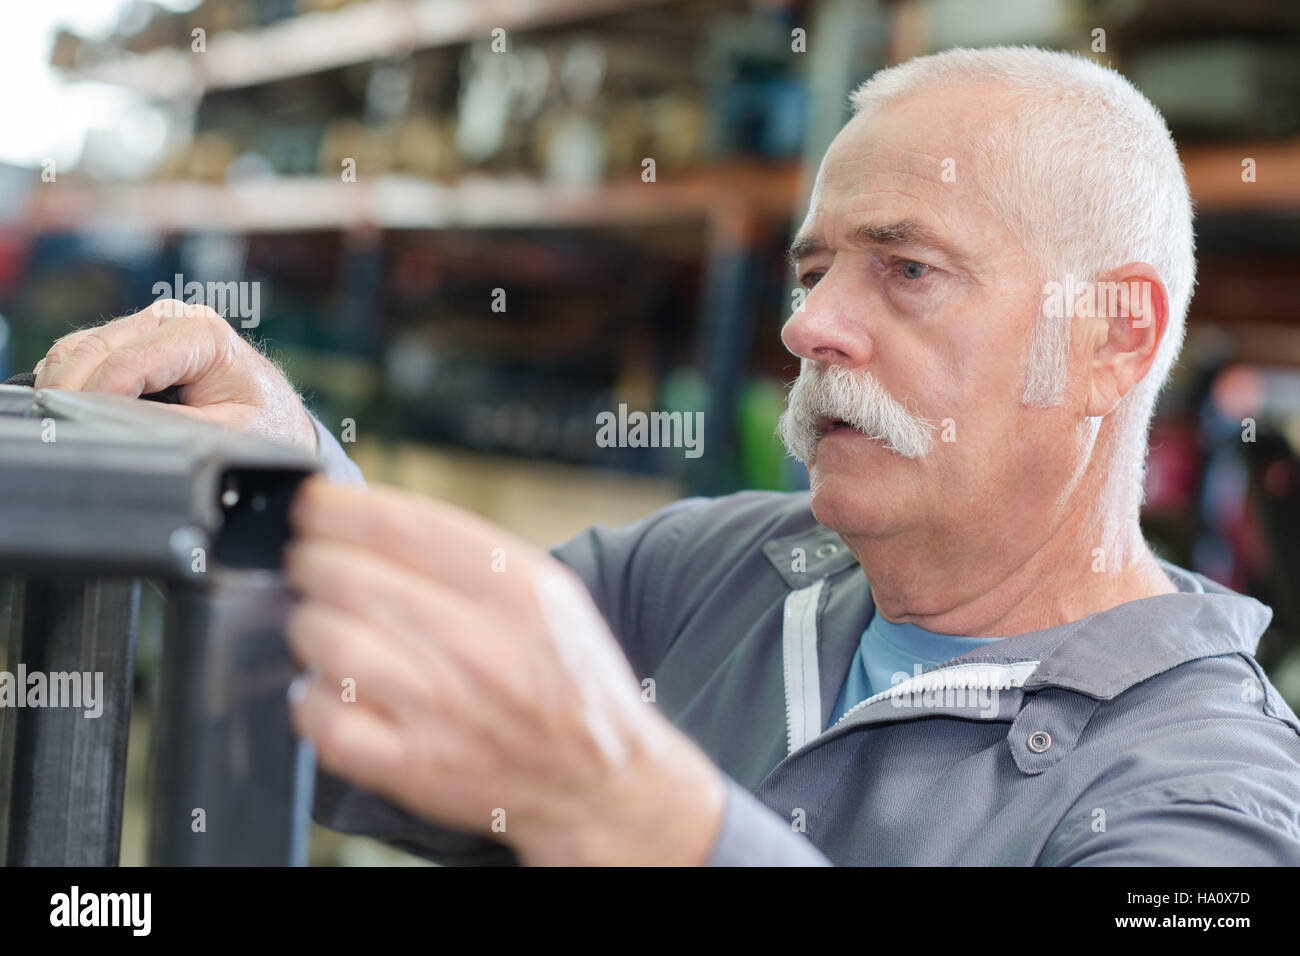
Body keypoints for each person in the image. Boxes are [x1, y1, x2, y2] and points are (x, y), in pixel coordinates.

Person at [31, 46, 1300, 865]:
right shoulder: (723, 571)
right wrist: (280, 470)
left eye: (907, 269)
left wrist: (651, 822)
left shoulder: (1204, 801)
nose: (807, 323)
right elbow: (385, 687)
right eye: (812, 269)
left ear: (1110, 340)